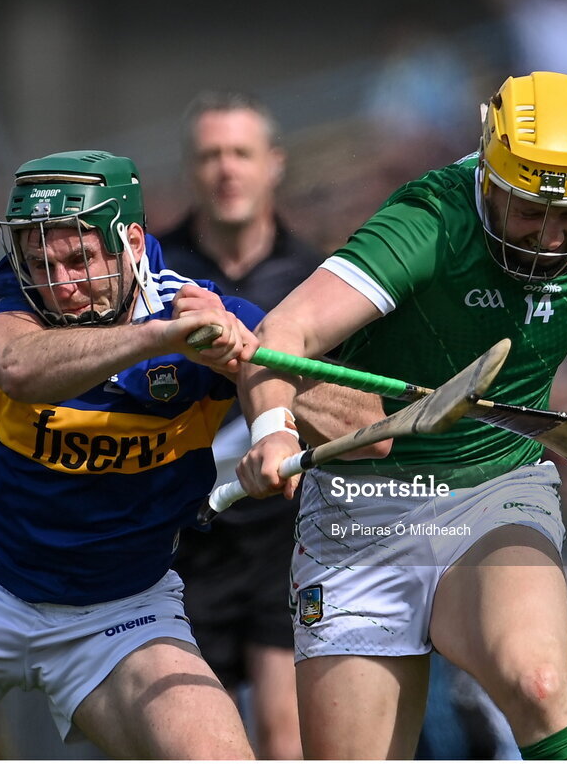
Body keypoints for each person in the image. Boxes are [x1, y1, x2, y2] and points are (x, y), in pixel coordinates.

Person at [230, 71, 567, 759]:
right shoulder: (429, 224)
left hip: (495, 489)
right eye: (528, 212)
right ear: (489, 180)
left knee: (540, 682)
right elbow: (285, 333)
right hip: (360, 513)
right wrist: (272, 429)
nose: (549, 237)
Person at [0, 149, 383, 759]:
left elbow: (370, 427)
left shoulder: (205, 311)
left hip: (121, 616)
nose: (61, 285)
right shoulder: (13, 298)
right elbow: (17, 367)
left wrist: (245, 359)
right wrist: (158, 339)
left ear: (131, 243)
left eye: (80, 260)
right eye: (41, 263)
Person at [160, 90, 322, 759]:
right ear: (190, 168)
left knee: (288, 736)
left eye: (241, 153)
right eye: (210, 155)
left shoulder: (315, 277)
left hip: (284, 528)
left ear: (274, 162)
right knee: (198, 743)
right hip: (180, 536)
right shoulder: (153, 275)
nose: (227, 169)